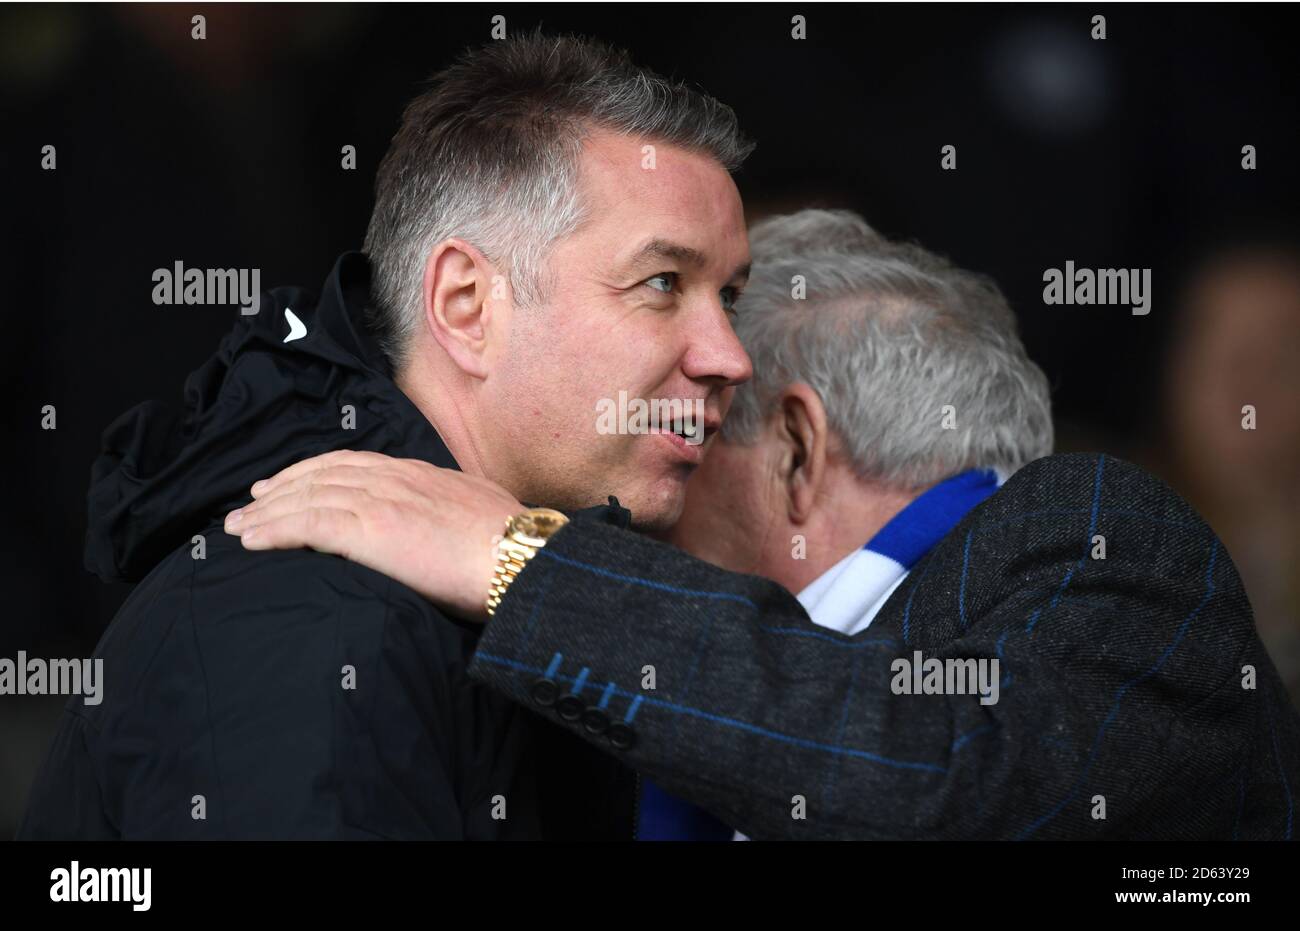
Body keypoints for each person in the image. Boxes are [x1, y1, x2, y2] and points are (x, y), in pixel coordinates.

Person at [230, 213, 1300, 840]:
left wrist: (518, 558)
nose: (635, 489)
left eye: (687, 428)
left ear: (792, 449)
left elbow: (951, 781)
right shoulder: (619, 695)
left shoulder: (1094, 532)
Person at [19, 32, 752, 839]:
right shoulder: (308, 624)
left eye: (731, 299)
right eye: (662, 284)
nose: (730, 356)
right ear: (467, 306)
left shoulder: (490, 600)